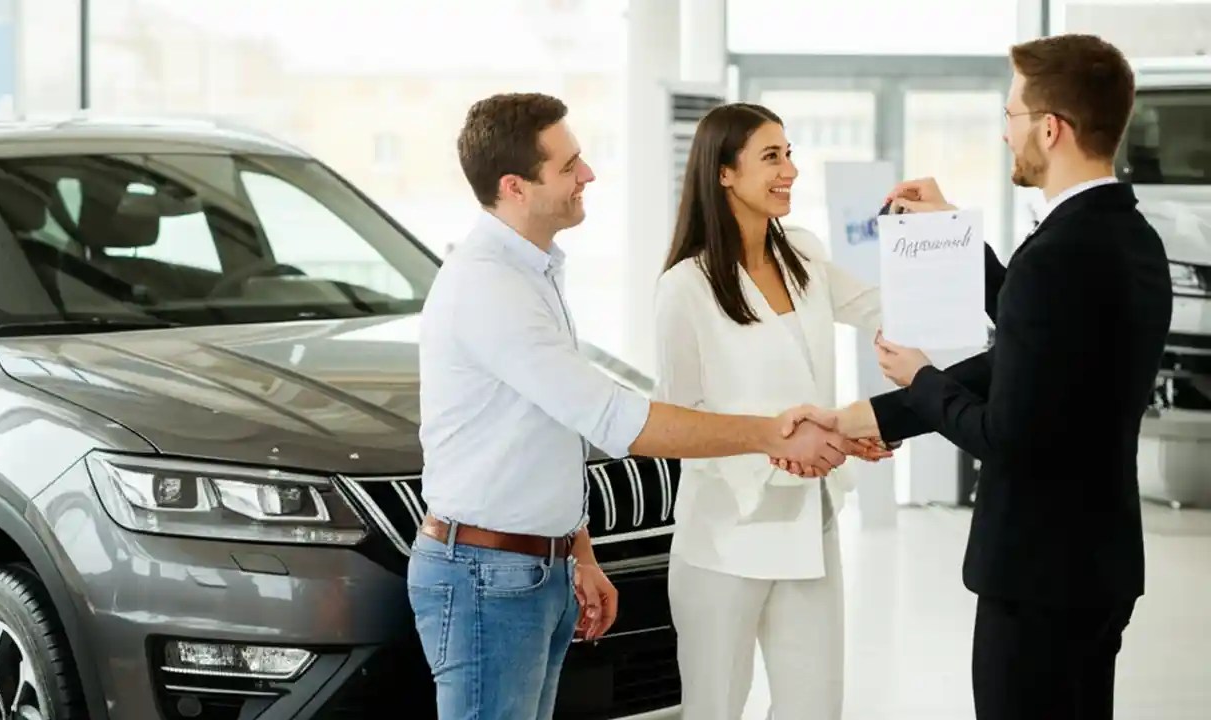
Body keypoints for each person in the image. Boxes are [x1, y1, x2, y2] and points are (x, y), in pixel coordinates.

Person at [411, 92, 879, 720]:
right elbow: (611, 416)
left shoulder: (534, 273)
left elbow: (548, 433)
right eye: (569, 165)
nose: (588, 174)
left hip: (533, 566)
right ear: (515, 187)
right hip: (488, 572)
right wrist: (774, 435)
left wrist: (576, 551)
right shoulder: (489, 285)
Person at [797, 34, 1173, 720]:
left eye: (1011, 115)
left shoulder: (1057, 256)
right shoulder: (1129, 238)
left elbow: (1005, 434)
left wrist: (919, 378)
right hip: (1098, 565)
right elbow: (1042, 349)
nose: (1005, 134)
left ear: (1050, 128)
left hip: (1035, 573)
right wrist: (956, 237)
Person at [651, 102, 887, 720]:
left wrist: (932, 243)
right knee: (714, 709)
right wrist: (783, 451)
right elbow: (678, 424)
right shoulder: (685, 287)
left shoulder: (803, 256)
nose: (790, 171)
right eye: (771, 157)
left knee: (816, 708)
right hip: (726, 535)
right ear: (724, 173)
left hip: (811, 525)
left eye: (790, 155)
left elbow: (882, 309)